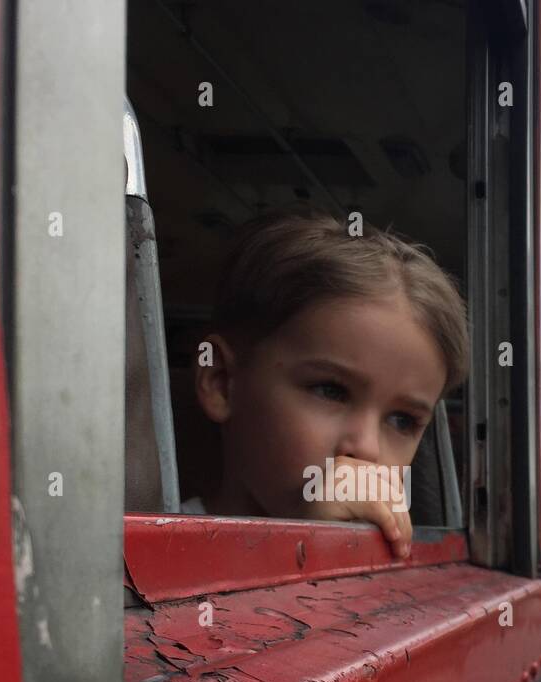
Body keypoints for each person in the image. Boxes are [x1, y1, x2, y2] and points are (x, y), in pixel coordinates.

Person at [184, 208, 469, 560]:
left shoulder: (398, 562)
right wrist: (309, 552)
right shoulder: (146, 562)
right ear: (222, 382)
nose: (365, 449)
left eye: (402, 421)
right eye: (331, 390)